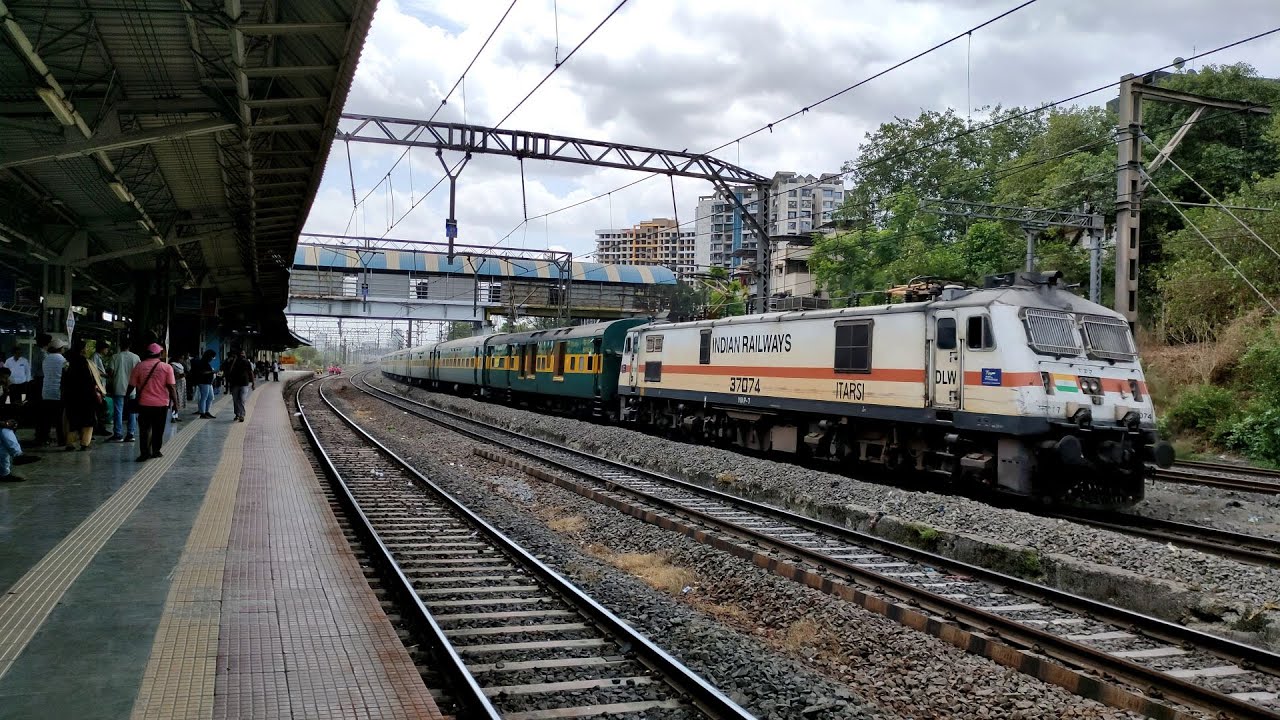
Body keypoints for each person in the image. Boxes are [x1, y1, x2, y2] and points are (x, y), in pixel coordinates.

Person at [128, 342, 177, 461]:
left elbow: (131, 386)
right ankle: (156, 451)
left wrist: (126, 400)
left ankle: (144, 453)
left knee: (144, 430)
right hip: (161, 404)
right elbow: (171, 387)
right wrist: (176, 403)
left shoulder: (139, 366)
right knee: (158, 428)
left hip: (144, 404)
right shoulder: (167, 367)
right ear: (159, 354)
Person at [62, 339, 103, 451]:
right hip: (86, 397)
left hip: (71, 397)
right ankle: (85, 443)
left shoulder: (68, 362)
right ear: (82, 350)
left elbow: (64, 381)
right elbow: (92, 380)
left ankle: (70, 443)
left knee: (73, 421)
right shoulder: (87, 363)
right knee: (88, 420)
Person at [36, 337, 67, 448]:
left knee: (46, 418)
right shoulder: (63, 360)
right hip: (57, 392)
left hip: (46, 392)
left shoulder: (46, 359)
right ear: (60, 348)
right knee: (59, 419)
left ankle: (44, 439)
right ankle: (61, 440)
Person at [108, 341, 140, 442]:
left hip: (118, 387)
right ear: (129, 346)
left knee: (118, 411)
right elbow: (139, 373)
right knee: (132, 412)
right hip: (132, 388)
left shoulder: (115, 357)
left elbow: (111, 372)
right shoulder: (136, 357)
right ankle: (131, 434)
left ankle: (118, 435)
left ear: (119, 346)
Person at [224, 348, 255, 422]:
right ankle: (237, 414)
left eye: (243, 353)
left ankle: (242, 415)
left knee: (242, 399)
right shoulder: (232, 362)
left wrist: (253, 383)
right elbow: (228, 371)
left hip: (244, 383)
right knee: (235, 400)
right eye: (241, 353)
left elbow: (251, 372)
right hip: (234, 383)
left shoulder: (247, 362)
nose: (243, 355)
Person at [190, 349, 217, 419]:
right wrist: (212, 372)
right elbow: (202, 372)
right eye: (212, 357)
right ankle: (202, 413)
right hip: (203, 382)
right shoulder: (202, 362)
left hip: (208, 382)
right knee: (204, 397)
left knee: (210, 397)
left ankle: (207, 411)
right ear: (209, 356)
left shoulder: (206, 363)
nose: (212, 359)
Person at [169, 353, 186, 423]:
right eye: (181, 358)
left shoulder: (181, 365)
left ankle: (176, 415)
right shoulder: (172, 365)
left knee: (179, 400)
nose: (182, 360)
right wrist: (180, 376)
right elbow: (172, 376)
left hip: (181, 384)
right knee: (174, 400)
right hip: (176, 384)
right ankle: (173, 416)